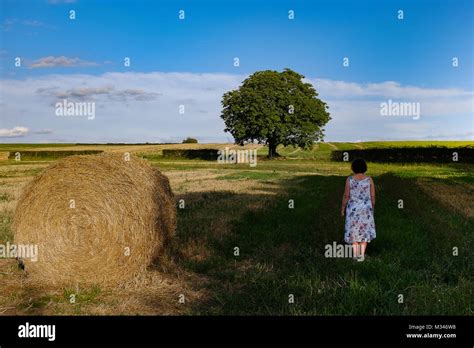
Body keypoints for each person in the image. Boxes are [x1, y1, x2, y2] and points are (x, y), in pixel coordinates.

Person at [340, 158, 376, 261]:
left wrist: (342, 208)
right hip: (366, 209)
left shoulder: (350, 179)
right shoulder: (369, 179)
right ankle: (361, 255)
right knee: (364, 232)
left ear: (353, 168)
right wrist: (372, 208)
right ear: (365, 168)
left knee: (353, 232)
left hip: (353, 210)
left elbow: (346, 196)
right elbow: (373, 196)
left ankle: (355, 256)